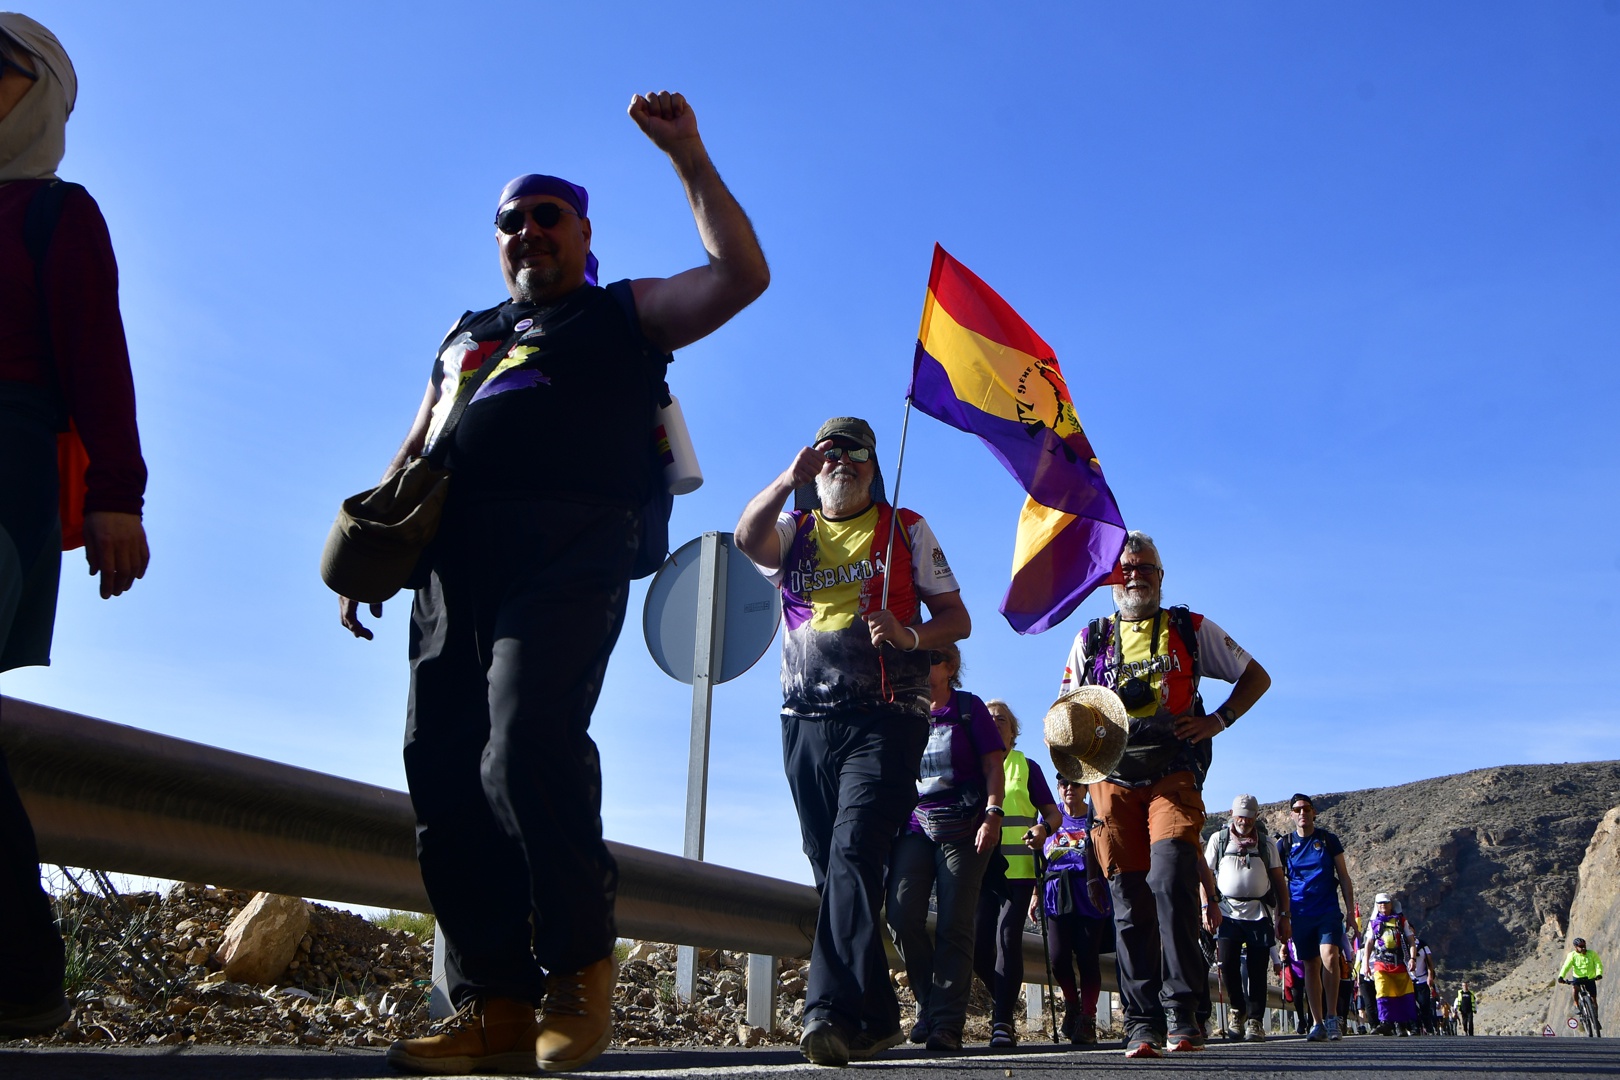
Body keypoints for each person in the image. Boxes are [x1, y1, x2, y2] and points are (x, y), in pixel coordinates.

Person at [341, 91, 769, 1074]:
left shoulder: (620, 316)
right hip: (452, 561)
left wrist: (690, 157)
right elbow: (422, 437)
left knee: (523, 744)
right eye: (511, 221)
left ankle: (578, 968)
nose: (527, 231)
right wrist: (374, 541)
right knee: (445, 777)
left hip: (572, 544)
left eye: (548, 216)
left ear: (582, 233)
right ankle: (491, 1008)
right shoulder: (466, 332)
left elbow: (741, 275)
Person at [736, 415, 970, 1067]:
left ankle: (827, 1012)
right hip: (804, 718)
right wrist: (788, 478)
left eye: (856, 453)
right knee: (829, 863)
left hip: (887, 718)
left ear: (874, 465)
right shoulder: (797, 529)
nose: (842, 460)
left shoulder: (904, 528)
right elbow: (744, 537)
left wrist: (908, 635)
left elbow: (958, 618)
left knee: (853, 852)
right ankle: (875, 1013)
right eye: (828, 452)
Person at [0, 15, 149, 1038]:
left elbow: (99, 360)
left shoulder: (58, 216)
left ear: (39, 91)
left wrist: (118, 497)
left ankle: (22, 974)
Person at [1058, 531, 1271, 1057]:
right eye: (1125, 567)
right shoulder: (1091, 639)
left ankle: (1183, 1012)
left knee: (1172, 875)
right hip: (1112, 778)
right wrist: (1073, 773)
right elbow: (1065, 717)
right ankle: (1141, 1022)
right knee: (1128, 901)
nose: (1134, 575)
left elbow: (1255, 676)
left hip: (1173, 771)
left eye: (1145, 567)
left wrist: (1217, 719)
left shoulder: (1189, 628)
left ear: (1161, 576)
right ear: (1111, 576)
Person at [886, 646, 1002, 1053]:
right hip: (915, 825)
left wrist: (993, 813)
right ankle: (929, 1003)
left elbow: (992, 766)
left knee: (955, 923)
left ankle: (946, 1025)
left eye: (933, 657)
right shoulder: (905, 709)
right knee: (901, 915)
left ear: (951, 666)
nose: (924, 663)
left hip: (965, 826)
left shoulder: (969, 709)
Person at [973, 698, 1060, 1049]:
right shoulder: (973, 765)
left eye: (1002, 720)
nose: (994, 723)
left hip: (1019, 869)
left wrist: (1043, 831)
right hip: (980, 868)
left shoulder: (1027, 767)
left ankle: (1003, 1021)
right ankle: (1006, 1000)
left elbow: (1052, 814)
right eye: (988, 719)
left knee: (1007, 938)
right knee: (979, 949)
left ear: (1014, 730)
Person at [1032, 775, 1112, 1044]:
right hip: (1056, 893)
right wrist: (1035, 894)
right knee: (1057, 958)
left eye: (1075, 784)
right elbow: (1040, 859)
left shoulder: (1097, 816)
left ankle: (1088, 1019)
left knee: (1088, 957)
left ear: (1086, 788)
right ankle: (1071, 1004)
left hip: (1089, 894)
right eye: (1064, 783)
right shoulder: (1050, 819)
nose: (1069, 789)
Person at [1203, 794, 1289, 1042]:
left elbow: (1279, 882)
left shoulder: (1266, 844)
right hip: (1227, 911)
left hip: (1258, 913)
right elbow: (1206, 875)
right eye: (1241, 816)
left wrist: (1284, 915)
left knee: (1257, 968)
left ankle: (1255, 1020)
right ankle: (1237, 1011)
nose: (1245, 821)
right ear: (1232, 814)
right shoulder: (1218, 840)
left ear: (1256, 817)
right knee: (1228, 964)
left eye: (1250, 816)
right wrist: (1206, 906)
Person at [1279, 793, 1357, 1042]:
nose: (1302, 813)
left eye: (1306, 809)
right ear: (1291, 814)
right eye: (1297, 810)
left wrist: (1353, 913)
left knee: (1330, 956)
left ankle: (1333, 1017)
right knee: (1310, 964)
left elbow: (1344, 877)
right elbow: (1279, 883)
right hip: (1300, 913)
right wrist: (1281, 917)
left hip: (1327, 910)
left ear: (1314, 812)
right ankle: (1317, 1022)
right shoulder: (1284, 844)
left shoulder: (1327, 840)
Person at [1361, 893, 1419, 1036]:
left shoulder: (1401, 921)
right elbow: (1369, 943)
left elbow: (1411, 941)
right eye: (1380, 903)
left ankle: (1401, 1025)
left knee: (1401, 993)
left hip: (1399, 962)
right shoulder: (1373, 923)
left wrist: (1412, 958)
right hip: (1381, 963)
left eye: (1386, 903)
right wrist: (1365, 964)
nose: (1383, 906)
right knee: (1382, 991)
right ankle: (1386, 1022)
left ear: (1391, 904)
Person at [1557, 937, 1603, 1033]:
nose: (1583, 948)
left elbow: (1598, 964)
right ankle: (1577, 1005)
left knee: (1594, 1000)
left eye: (1584, 946)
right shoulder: (1572, 956)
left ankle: (1595, 1019)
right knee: (1575, 988)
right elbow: (1566, 966)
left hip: (1590, 978)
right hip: (1578, 978)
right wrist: (1561, 976)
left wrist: (1599, 974)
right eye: (1581, 946)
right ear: (1576, 947)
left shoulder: (1592, 954)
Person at [1410, 937, 1436, 1034]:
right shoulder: (1403, 945)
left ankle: (1428, 1026)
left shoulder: (1422, 944)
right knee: (1411, 1005)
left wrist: (1430, 976)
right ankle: (1415, 1027)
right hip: (1408, 981)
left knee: (1424, 1004)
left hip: (1422, 979)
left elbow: (1429, 962)